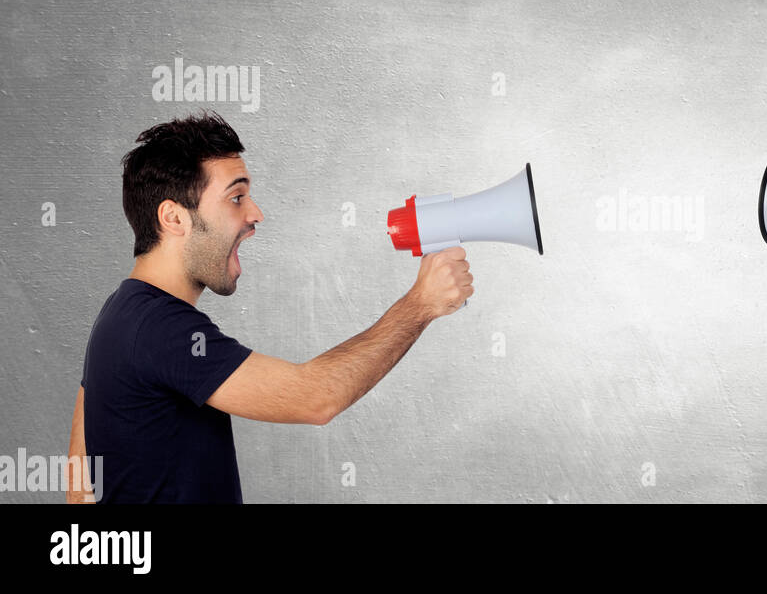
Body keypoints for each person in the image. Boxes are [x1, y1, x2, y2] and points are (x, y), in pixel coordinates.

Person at [66, 111, 473, 503]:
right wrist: (421, 304)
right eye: (236, 197)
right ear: (174, 218)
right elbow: (316, 398)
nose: (255, 213)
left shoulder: (119, 314)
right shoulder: (162, 328)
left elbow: (81, 486)